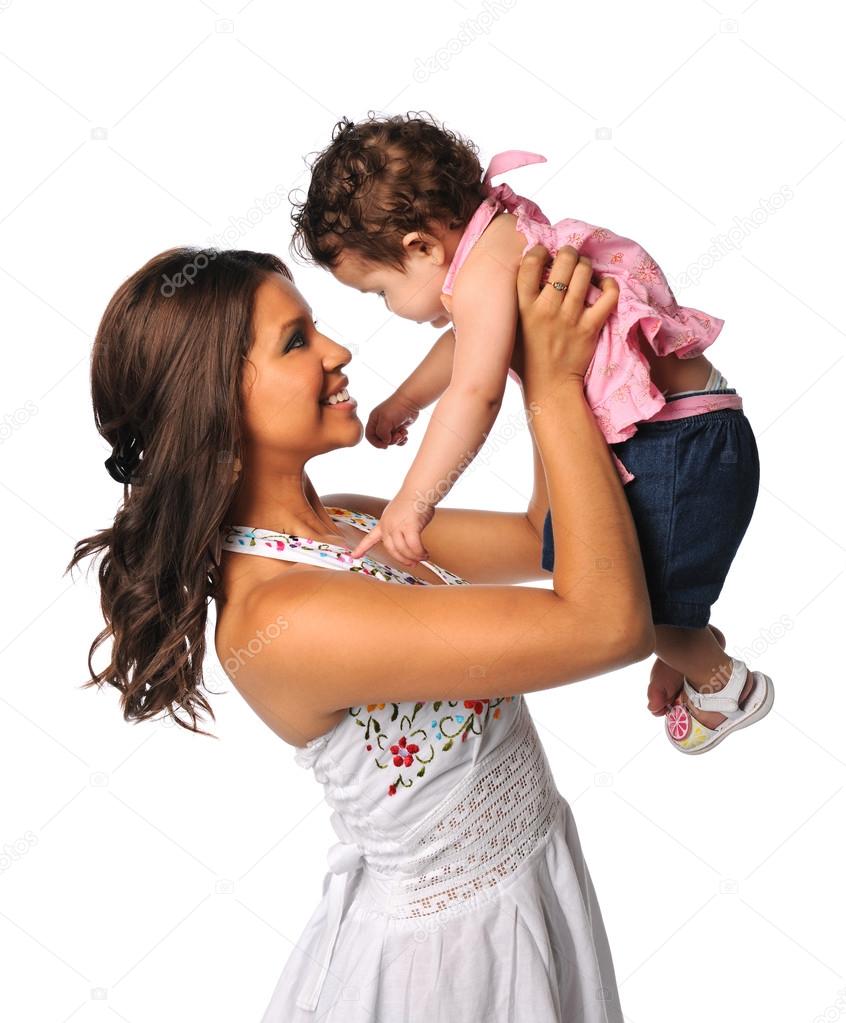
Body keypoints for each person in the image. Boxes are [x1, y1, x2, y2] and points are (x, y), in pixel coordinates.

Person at [67, 239, 653, 1021]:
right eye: (297, 341)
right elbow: (608, 623)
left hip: (527, 893)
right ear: (215, 407)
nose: (339, 350)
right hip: (450, 967)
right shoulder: (284, 613)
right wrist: (551, 381)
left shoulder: (347, 520)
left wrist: (517, 348)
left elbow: (541, 534)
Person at [289, 111, 774, 754]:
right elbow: (466, 347)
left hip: (677, 442)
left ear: (421, 247)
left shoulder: (490, 268)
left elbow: (477, 389)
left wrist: (414, 501)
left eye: (380, 293)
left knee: (634, 598)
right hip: (682, 434)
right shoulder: (494, 242)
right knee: (643, 583)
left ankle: (727, 685)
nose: (390, 311)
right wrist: (405, 401)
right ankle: (689, 650)